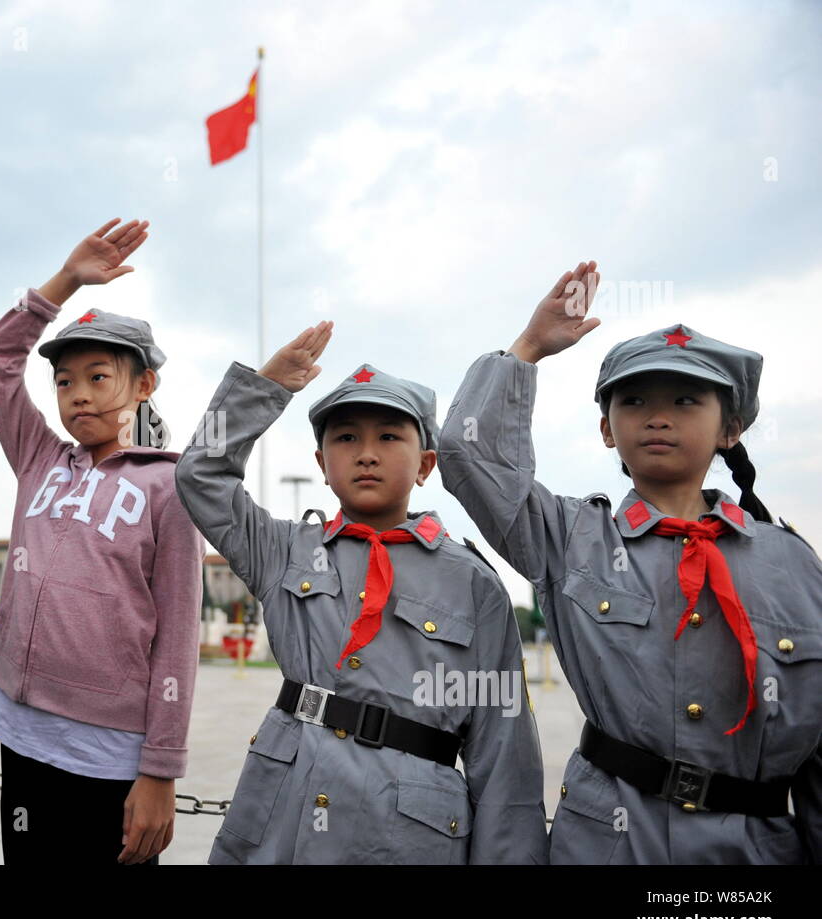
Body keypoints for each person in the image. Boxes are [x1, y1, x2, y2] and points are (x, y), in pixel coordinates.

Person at [438, 260, 822, 863]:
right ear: (607, 430)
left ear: (731, 429)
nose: (658, 415)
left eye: (687, 400)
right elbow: (467, 451)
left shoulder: (794, 566)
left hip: (754, 852)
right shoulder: (569, 539)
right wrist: (529, 348)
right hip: (609, 842)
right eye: (635, 399)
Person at [175, 321, 548, 864]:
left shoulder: (471, 581)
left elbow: (503, 747)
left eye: (389, 436)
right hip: (286, 806)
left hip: (405, 830)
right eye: (345, 438)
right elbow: (200, 476)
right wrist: (263, 390)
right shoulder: (284, 550)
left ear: (425, 464)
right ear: (322, 465)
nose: (366, 453)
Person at [0, 218, 205, 864]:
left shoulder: (170, 485)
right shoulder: (39, 458)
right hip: (22, 740)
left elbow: (178, 636)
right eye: (65, 380)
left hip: (112, 759)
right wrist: (65, 281)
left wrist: (160, 769)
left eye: (98, 377)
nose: (77, 395)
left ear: (143, 384)